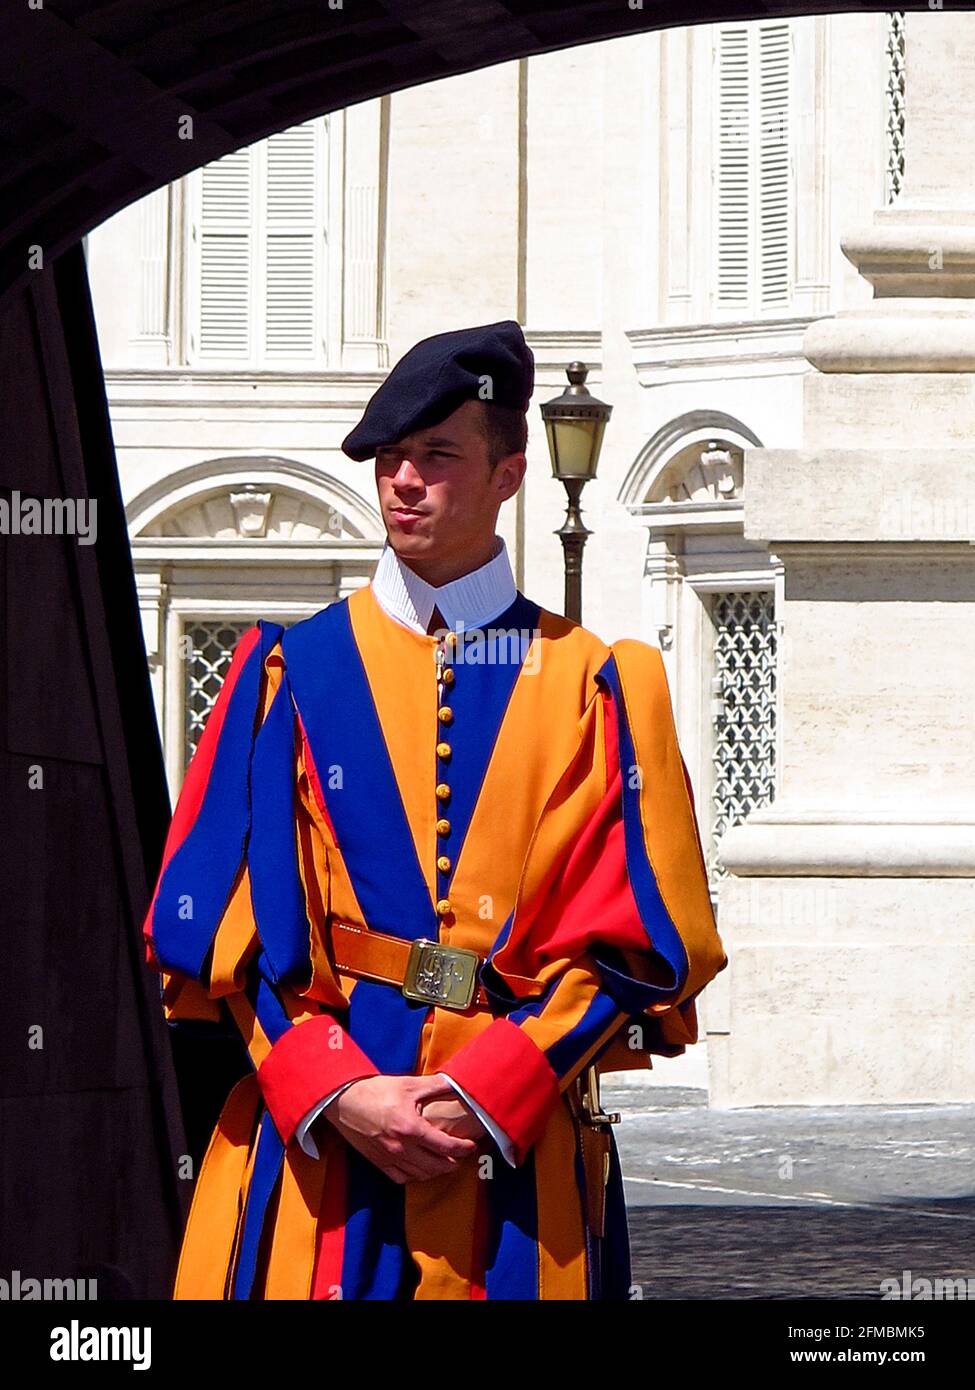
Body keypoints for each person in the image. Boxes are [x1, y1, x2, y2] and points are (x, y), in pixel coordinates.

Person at [143, 319, 727, 1301]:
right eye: (391, 458)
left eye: (437, 456)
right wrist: (338, 1086)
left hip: (522, 1153)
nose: (404, 480)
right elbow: (234, 928)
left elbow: (631, 939)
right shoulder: (286, 672)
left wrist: (489, 1091)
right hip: (323, 1149)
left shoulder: (594, 682)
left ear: (508, 474)